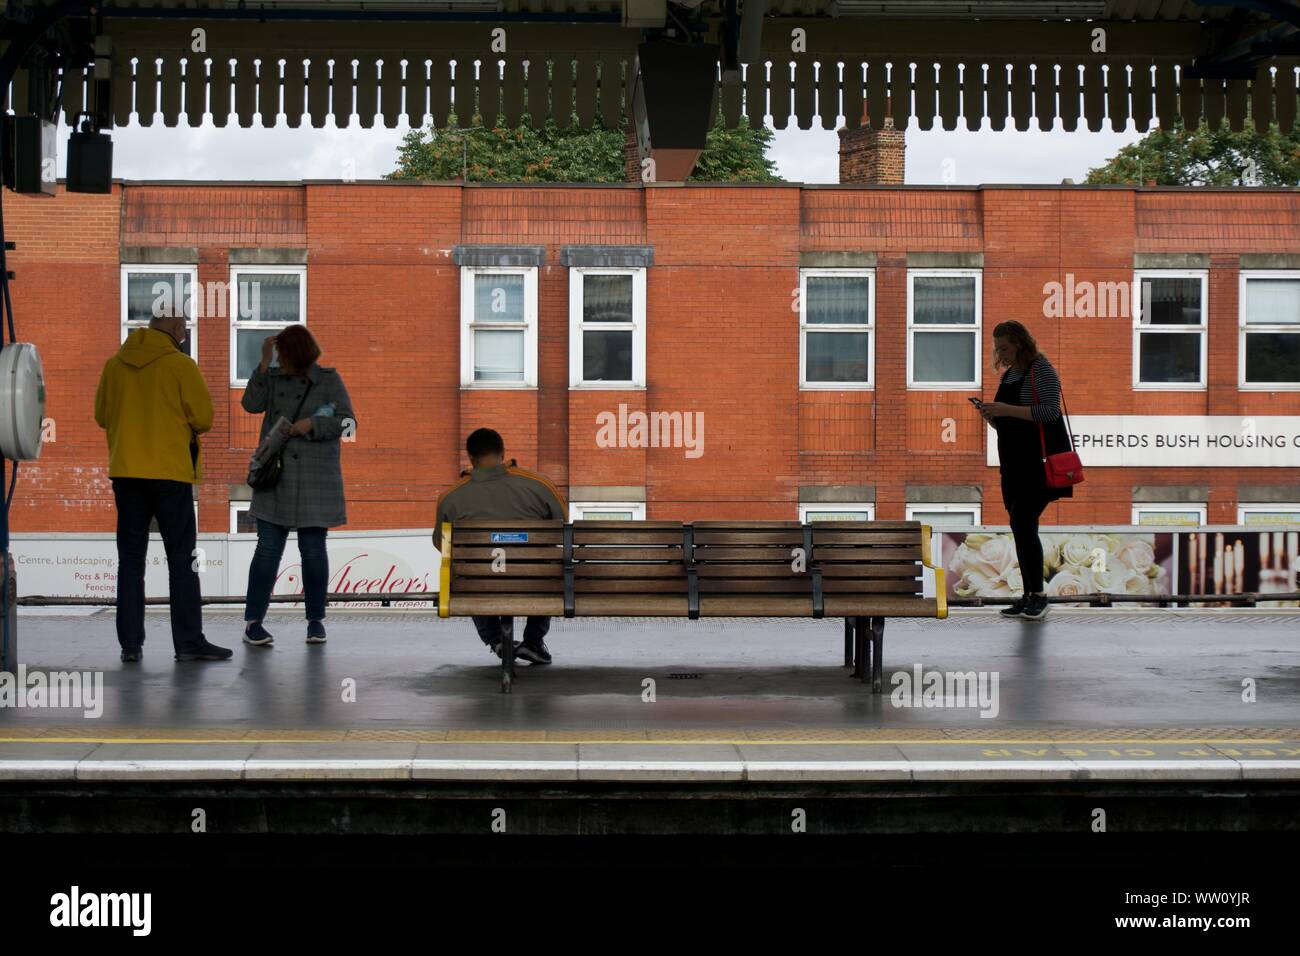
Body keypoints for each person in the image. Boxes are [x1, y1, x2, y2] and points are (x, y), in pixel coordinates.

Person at [94, 312, 231, 662]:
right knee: (183, 561)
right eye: (184, 326)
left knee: (130, 561)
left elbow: (101, 415)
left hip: (127, 473)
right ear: (172, 328)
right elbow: (204, 419)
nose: (185, 333)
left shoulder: (114, 365)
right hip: (171, 475)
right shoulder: (180, 365)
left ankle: (130, 645)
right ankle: (187, 643)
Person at [240, 325, 355, 647]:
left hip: (316, 479)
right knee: (267, 550)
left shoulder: (329, 379)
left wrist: (313, 425)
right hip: (275, 477)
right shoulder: (273, 378)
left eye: (282, 355)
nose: (280, 361)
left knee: (314, 551)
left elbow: (348, 423)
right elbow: (250, 404)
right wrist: (262, 365)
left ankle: (315, 621)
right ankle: (253, 622)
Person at [433, 428, 566, 665]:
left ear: (471, 458)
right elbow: (563, 527)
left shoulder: (451, 497)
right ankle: (533, 641)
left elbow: (441, 544)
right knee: (551, 566)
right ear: (503, 453)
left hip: (481, 583)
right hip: (535, 581)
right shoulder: (539, 485)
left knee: (465, 572)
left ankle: (496, 640)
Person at [977, 320, 1074, 621]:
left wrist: (1004, 410)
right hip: (1014, 464)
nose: (1000, 353)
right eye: (997, 348)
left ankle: (1040, 596)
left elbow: (1049, 411)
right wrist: (992, 415)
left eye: (1004, 347)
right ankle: (1029, 595)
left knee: (1023, 522)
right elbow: (1012, 422)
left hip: (1036, 464)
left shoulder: (1040, 370)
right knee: (1021, 528)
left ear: (1020, 343)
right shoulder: (1010, 375)